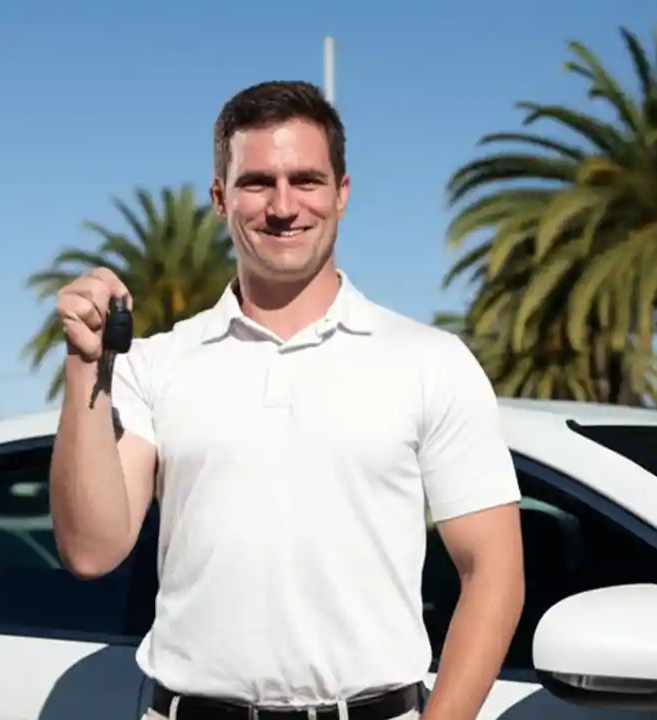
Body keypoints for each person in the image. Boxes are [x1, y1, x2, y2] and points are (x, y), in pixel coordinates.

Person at [49, 80, 524, 720]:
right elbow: (91, 549)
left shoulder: (430, 361)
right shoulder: (155, 364)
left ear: (342, 193)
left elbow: (494, 572)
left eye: (306, 179)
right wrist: (86, 366)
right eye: (256, 183)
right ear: (220, 197)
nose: (282, 205)